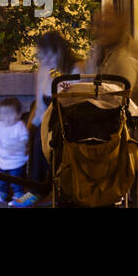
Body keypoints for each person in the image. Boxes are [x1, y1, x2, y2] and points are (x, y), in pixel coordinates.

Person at [26, 31, 83, 190]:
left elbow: (76, 100)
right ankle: (31, 185)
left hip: (69, 117)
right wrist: (29, 128)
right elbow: (39, 105)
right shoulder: (44, 69)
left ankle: (37, 189)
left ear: (59, 51)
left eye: (48, 56)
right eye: (42, 56)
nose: (44, 60)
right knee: (33, 130)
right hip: (48, 114)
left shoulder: (75, 69)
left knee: (43, 133)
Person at [84, 4, 138, 113]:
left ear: (121, 26)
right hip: (122, 120)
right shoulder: (107, 50)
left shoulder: (124, 58)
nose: (99, 31)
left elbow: (113, 104)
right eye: (97, 25)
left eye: (107, 26)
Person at [0, 98, 30, 205]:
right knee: (2, 181)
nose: (7, 117)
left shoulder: (19, 126)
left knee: (17, 181)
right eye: (3, 114)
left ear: (19, 115)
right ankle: (3, 195)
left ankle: (19, 196)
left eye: (10, 114)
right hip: (3, 162)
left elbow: (25, 140)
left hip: (17, 162)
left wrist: (16, 147)